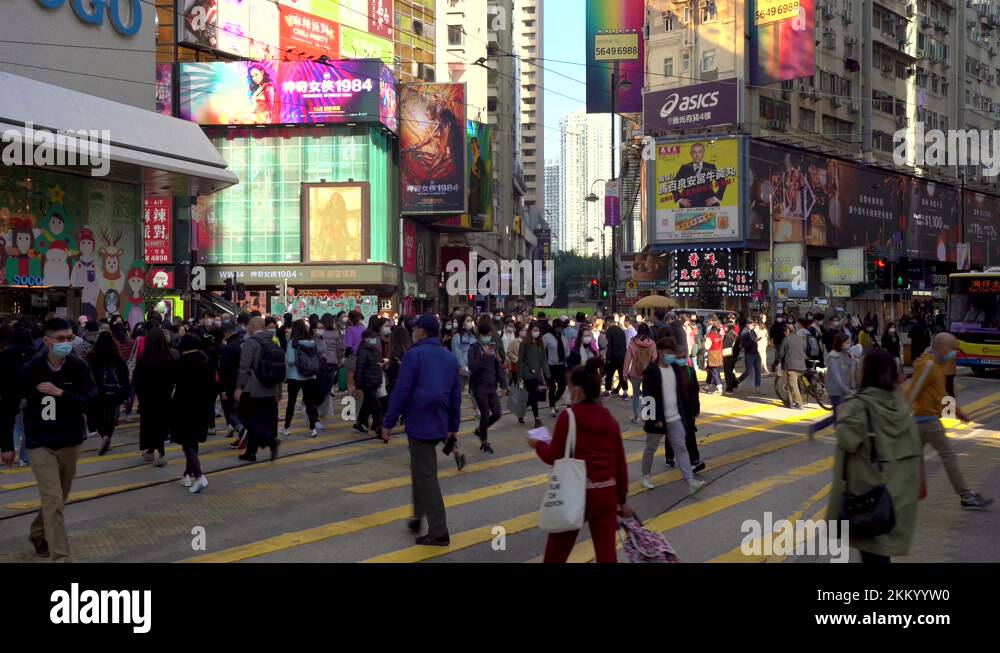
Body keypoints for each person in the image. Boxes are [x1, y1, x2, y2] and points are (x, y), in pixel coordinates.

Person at [5, 318, 96, 562]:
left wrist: (62, 394)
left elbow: (91, 402)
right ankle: (62, 557)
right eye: (60, 339)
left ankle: (38, 531)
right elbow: (8, 405)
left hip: (70, 441)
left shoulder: (78, 367)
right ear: (47, 341)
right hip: (40, 443)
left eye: (69, 338)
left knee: (58, 498)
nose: (66, 343)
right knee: (53, 499)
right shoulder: (31, 369)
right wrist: (6, 446)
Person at [529, 359, 634, 563]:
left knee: (555, 555)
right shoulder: (609, 418)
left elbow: (553, 455)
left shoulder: (569, 417)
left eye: (569, 387)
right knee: (607, 555)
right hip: (607, 495)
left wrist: (537, 444)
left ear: (577, 390)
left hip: (576, 494)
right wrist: (622, 500)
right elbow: (620, 463)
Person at [827, 349, 921, 563]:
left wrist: (841, 419)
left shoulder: (859, 405)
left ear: (868, 373)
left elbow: (848, 441)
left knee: (872, 554)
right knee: (879, 554)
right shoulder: (899, 405)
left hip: (866, 496)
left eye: (860, 367)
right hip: (895, 494)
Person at [381, 314, 462, 546]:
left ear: (423, 332)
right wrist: (453, 428)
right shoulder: (449, 358)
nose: (414, 332)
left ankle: (439, 532)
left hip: (420, 421)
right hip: (442, 420)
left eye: (416, 329)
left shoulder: (414, 356)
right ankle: (418, 516)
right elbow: (456, 396)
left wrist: (388, 423)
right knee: (420, 471)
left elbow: (402, 392)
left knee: (426, 476)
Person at [907, 333, 993, 509]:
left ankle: (900, 495)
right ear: (942, 348)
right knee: (948, 457)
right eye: (952, 348)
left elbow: (942, 396)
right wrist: (900, 416)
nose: (954, 352)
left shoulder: (937, 366)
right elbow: (913, 392)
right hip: (927, 421)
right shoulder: (929, 365)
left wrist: (958, 412)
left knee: (911, 459)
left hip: (922, 420)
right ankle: (966, 496)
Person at [640, 337, 707, 494]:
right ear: (661, 352)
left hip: (675, 416)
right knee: (651, 448)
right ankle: (645, 476)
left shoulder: (675, 369)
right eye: (669, 353)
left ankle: (690, 481)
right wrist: (652, 418)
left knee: (681, 448)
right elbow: (647, 395)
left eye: (673, 353)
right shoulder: (652, 370)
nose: (672, 356)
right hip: (658, 418)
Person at [236, 316, 283, 462]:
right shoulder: (273, 340)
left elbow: (244, 367)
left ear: (254, 326)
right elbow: (280, 366)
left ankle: (270, 441)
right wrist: (278, 390)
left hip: (253, 389)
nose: (247, 328)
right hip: (270, 389)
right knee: (259, 420)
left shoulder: (251, 343)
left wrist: (239, 386)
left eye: (249, 325)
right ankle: (250, 452)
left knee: (247, 418)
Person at [172, 334, 214, 493]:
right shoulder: (205, 361)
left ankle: (199, 475)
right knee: (193, 441)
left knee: (187, 442)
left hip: (184, 408)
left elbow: (175, 385)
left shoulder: (181, 363)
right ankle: (187, 474)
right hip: (202, 407)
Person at [132, 327, 177, 466]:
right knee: (161, 425)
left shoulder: (144, 359)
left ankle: (160, 454)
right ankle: (151, 451)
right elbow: (174, 378)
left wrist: (140, 396)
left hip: (147, 398)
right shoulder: (169, 357)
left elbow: (137, 379)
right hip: (164, 397)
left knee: (149, 425)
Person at [85, 331, 130, 456]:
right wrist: (125, 392)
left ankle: (104, 436)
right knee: (111, 416)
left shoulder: (92, 356)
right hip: (114, 391)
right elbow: (124, 375)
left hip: (98, 392)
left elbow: (87, 375)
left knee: (98, 416)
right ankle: (108, 437)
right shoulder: (118, 356)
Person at [468, 323, 509, 454]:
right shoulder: (473, 348)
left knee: (497, 413)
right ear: (479, 335)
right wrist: (483, 356)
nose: (487, 338)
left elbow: (498, 368)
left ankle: (480, 430)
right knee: (485, 414)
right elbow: (472, 367)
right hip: (479, 386)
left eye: (489, 335)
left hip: (491, 386)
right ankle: (484, 441)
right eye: (485, 335)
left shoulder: (493, 348)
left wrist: (503, 384)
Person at [0, 324, 36, 467]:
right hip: (33, 396)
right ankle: (25, 457)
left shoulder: (4, 355)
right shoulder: (37, 354)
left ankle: (10, 449)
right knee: (29, 426)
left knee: (13, 424)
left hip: (10, 396)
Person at [807, 333, 856, 437]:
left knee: (840, 415)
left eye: (850, 342)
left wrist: (853, 360)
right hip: (836, 391)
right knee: (838, 416)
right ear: (841, 344)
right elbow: (836, 377)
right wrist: (848, 390)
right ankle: (840, 436)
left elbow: (852, 370)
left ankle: (815, 428)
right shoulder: (833, 356)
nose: (849, 344)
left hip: (846, 389)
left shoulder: (847, 354)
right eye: (847, 343)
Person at [282, 320, 324, 439]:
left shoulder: (292, 343)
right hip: (309, 376)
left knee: (291, 403)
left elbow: (290, 360)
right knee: (310, 402)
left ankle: (286, 428)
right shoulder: (311, 342)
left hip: (294, 377)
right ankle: (312, 428)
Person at [623, 323, 658, 423]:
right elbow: (655, 358)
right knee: (649, 395)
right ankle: (649, 417)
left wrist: (625, 373)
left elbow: (627, 359)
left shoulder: (632, 342)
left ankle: (636, 417)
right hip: (648, 373)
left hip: (635, 372)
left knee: (636, 394)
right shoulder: (652, 343)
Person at [353, 328, 385, 437]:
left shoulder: (373, 350)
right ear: (366, 339)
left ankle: (360, 423)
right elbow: (359, 368)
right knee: (377, 406)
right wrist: (358, 384)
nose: (374, 339)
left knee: (367, 405)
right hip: (367, 383)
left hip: (374, 382)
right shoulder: (363, 351)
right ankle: (379, 428)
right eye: (372, 337)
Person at [219, 324, 246, 448]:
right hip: (247, 382)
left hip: (233, 384)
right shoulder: (245, 343)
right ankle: (243, 438)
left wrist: (223, 389)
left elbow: (224, 370)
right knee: (242, 411)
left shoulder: (229, 348)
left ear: (227, 334)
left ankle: (241, 430)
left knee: (232, 412)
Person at [517, 323, 549, 428]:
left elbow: (543, 360)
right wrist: (520, 377)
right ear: (530, 330)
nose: (536, 332)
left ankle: (521, 411)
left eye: (538, 330)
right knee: (534, 395)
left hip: (537, 375)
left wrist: (547, 373)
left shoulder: (540, 343)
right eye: (534, 330)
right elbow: (520, 361)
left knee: (531, 397)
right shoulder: (524, 343)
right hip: (527, 374)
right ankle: (537, 419)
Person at [778, 320, 808, 409]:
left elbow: (781, 354)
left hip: (791, 366)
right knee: (791, 383)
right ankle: (789, 402)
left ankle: (799, 403)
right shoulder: (800, 339)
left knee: (793, 385)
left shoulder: (786, 339)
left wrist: (777, 362)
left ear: (787, 331)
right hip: (802, 366)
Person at [542, 319, 568, 417]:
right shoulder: (546, 337)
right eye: (559, 327)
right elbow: (542, 351)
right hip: (550, 366)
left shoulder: (564, 338)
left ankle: (555, 400)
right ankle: (552, 407)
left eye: (562, 327)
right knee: (552, 387)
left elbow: (567, 351)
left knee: (562, 386)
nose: (561, 329)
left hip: (561, 365)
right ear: (555, 326)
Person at [733, 318, 762, 391]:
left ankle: (757, 386)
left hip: (756, 353)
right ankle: (738, 381)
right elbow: (743, 344)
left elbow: (754, 341)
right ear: (747, 325)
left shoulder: (753, 332)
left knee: (758, 370)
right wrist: (753, 342)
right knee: (748, 371)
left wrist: (756, 341)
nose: (753, 325)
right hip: (749, 354)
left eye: (753, 324)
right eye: (751, 324)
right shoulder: (744, 333)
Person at [603, 317, 627, 398]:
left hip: (612, 356)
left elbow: (608, 345)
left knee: (609, 375)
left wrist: (608, 358)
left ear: (609, 322)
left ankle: (607, 392)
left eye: (606, 323)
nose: (606, 325)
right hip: (622, 356)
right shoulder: (621, 330)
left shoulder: (609, 331)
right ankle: (625, 393)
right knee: (622, 375)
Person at [703, 322, 724, 394]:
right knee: (711, 370)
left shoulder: (710, 336)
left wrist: (704, 341)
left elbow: (707, 347)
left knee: (714, 371)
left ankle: (719, 388)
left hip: (712, 355)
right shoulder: (719, 336)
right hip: (719, 354)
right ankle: (707, 386)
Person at [722, 320, 740, 392]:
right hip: (734, 355)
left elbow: (726, 346)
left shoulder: (728, 335)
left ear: (728, 327)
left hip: (728, 355)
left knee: (727, 372)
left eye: (726, 326)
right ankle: (735, 383)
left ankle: (729, 388)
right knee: (730, 370)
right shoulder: (735, 334)